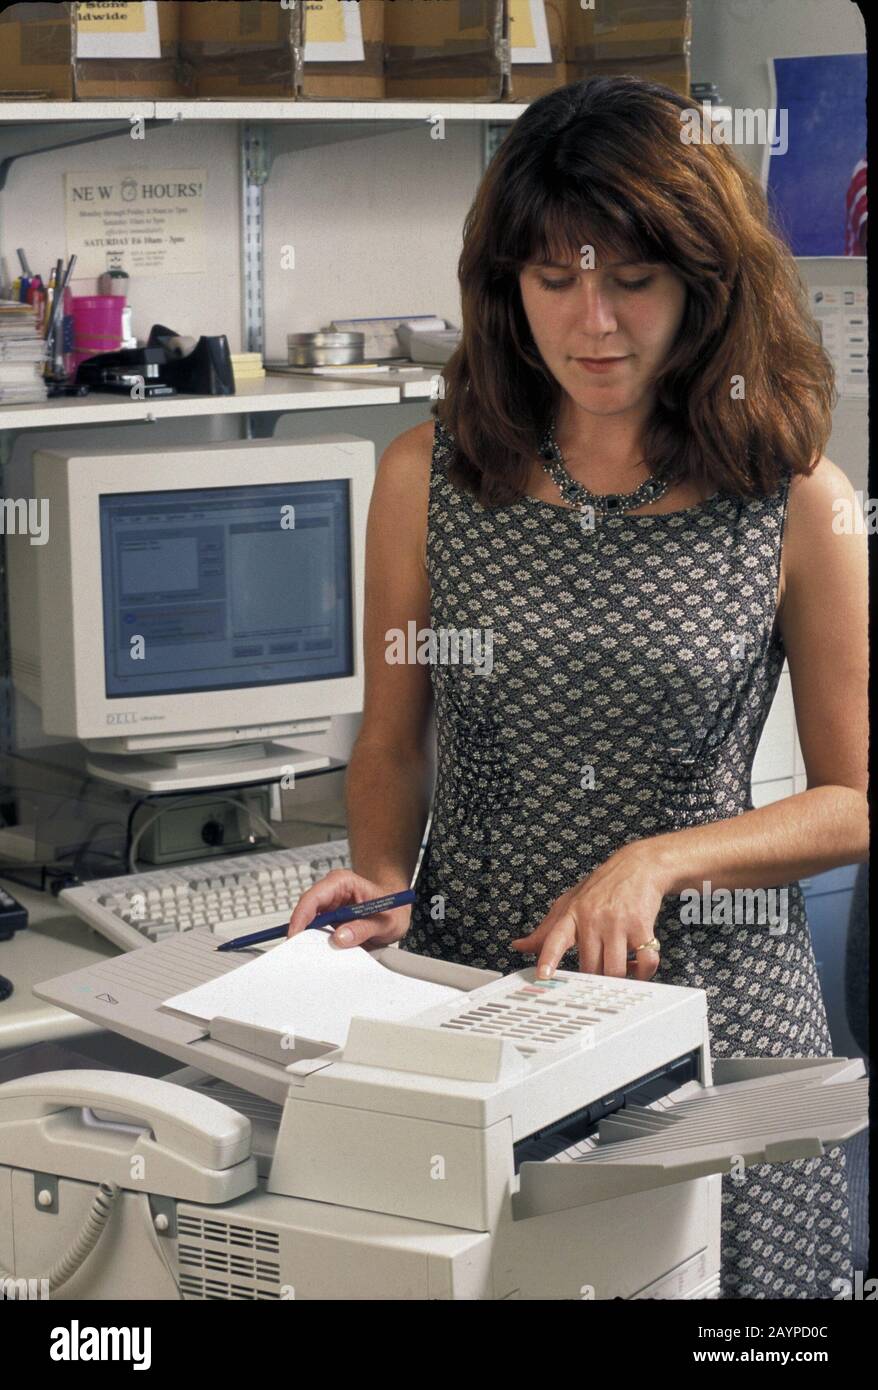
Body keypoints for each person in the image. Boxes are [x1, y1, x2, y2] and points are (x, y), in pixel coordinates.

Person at [289, 76, 868, 1299]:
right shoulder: (426, 477)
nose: (591, 322)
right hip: (478, 996)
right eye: (553, 281)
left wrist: (653, 860)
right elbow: (393, 741)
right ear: (506, 288)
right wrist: (384, 880)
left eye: (631, 281)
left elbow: (855, 798)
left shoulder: (797, 499)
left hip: (716, 1015)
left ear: (703, 286)